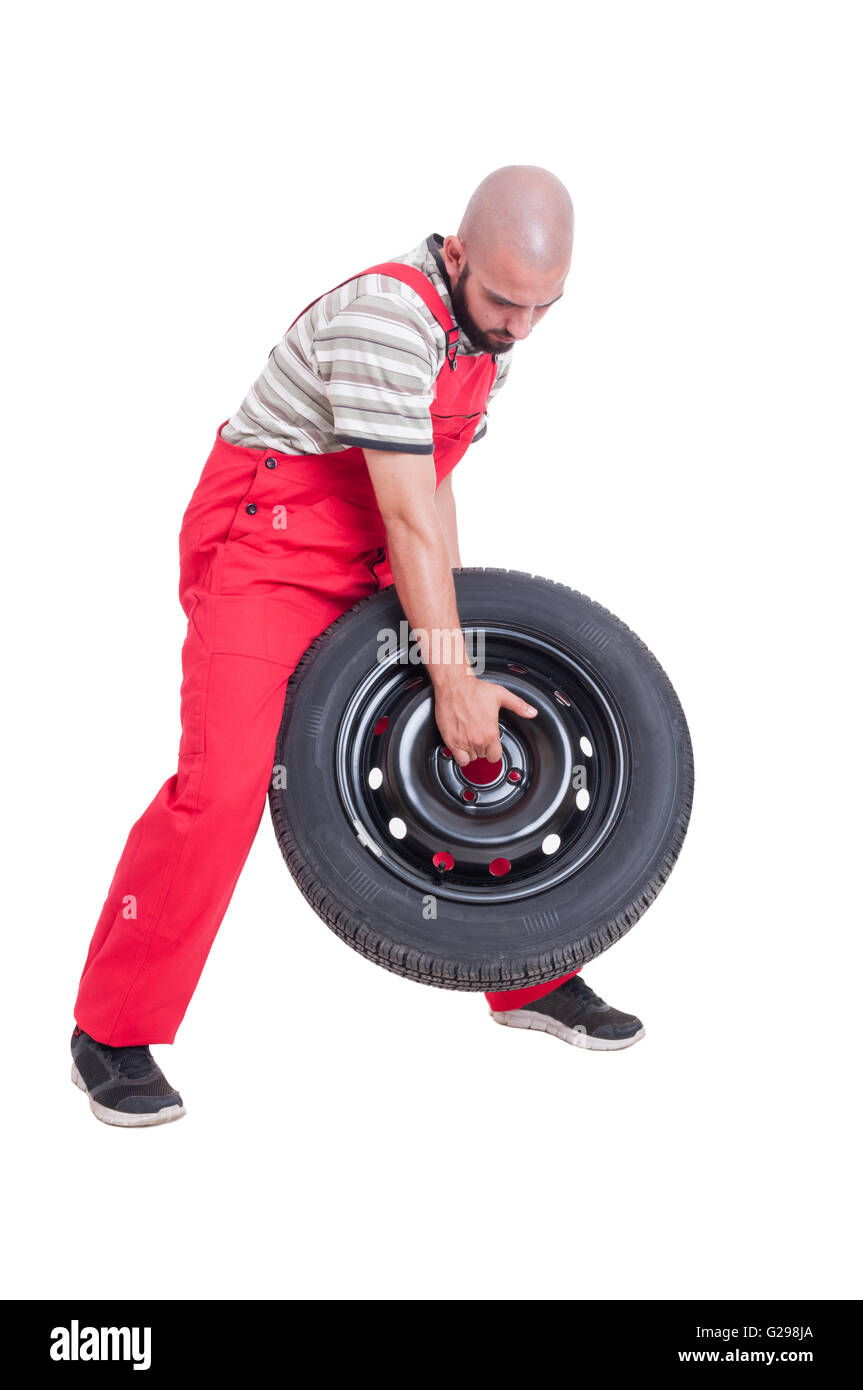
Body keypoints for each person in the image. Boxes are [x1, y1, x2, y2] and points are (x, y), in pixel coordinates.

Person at [71, 166, 644, 1128]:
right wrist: (447, 670)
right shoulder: (388, 319)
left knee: (476, 734)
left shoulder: (486, 337)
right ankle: (111, 1030)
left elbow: (432, 485)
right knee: (224, 791)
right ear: (456, 253)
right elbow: (408, 516)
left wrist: (462, 650)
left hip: (374, 542)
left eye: (546, 307)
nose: (521, 328)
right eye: (505, 300)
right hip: (264, 550)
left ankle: (530, 971)